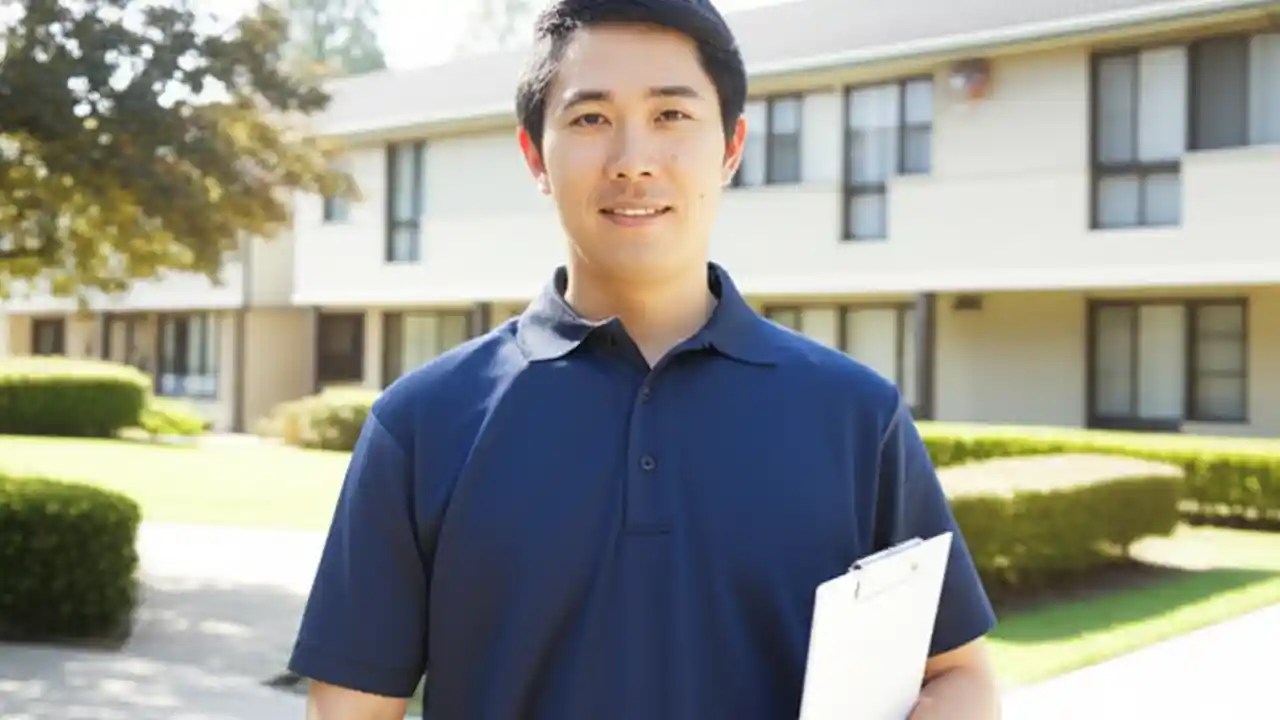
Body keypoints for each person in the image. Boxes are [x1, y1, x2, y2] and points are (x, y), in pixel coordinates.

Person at [287, 1, 1001, 718]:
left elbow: (958, 673)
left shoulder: (856, 416)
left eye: (672, 116)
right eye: (591, 118)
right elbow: (349, 710)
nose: (633, 160)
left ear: (731, 147)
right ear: (535, 155)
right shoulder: (421, 424)